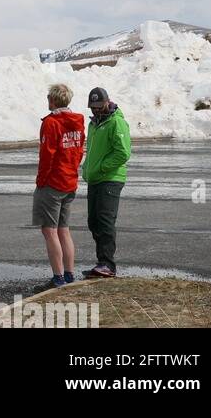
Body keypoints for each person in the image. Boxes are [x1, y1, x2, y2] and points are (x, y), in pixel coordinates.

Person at [33, 84, 85, 291]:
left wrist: (41, 181)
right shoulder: (77, 122)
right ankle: (69, 273)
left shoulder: (51, 123)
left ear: (53, 100)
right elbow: (79, 151)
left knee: (49, 230)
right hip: (69, 181)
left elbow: (47, 155)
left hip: (53, 183)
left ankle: (58, 277)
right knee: (64, 229)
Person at [81, 87, 131, 278]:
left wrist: (101, 167)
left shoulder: (116, 122)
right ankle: (101, 262)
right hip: (95, 179)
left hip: (110, 179)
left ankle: (107, 264)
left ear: (107, 102)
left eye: (98, 106)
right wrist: (88, 168)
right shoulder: (94, 124)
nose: (95, 110)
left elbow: (123, 153)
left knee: (105, 221)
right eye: (92, 107)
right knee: (93, 221)